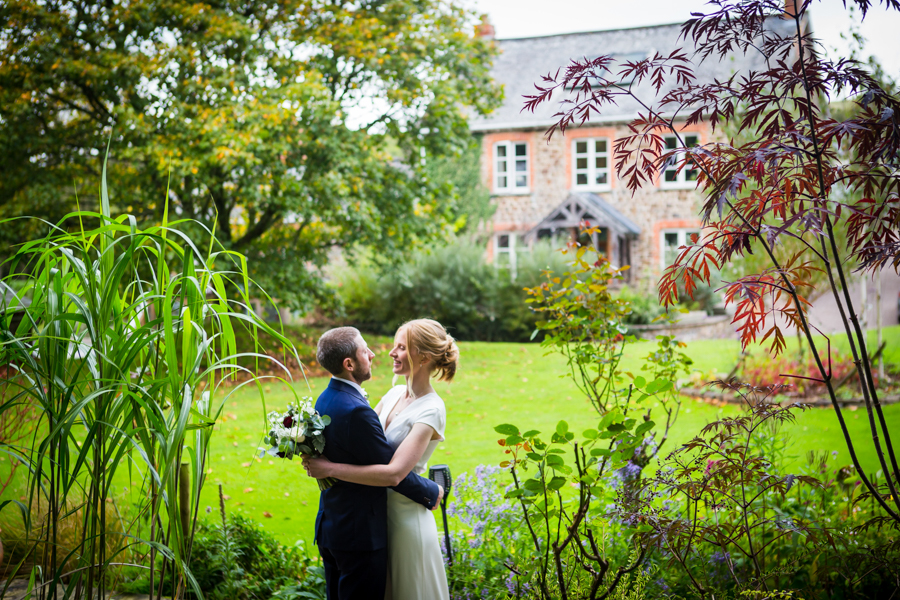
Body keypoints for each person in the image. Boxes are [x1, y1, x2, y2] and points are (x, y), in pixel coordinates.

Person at [305, 319, 457, 600]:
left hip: (404, 520)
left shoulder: (432, 409)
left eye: (401, 347)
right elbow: (361, 445)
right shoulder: (394, 393)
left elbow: (394, 473)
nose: (390, 352)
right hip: (373, 518)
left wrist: (328, 468)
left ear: (422, 357)